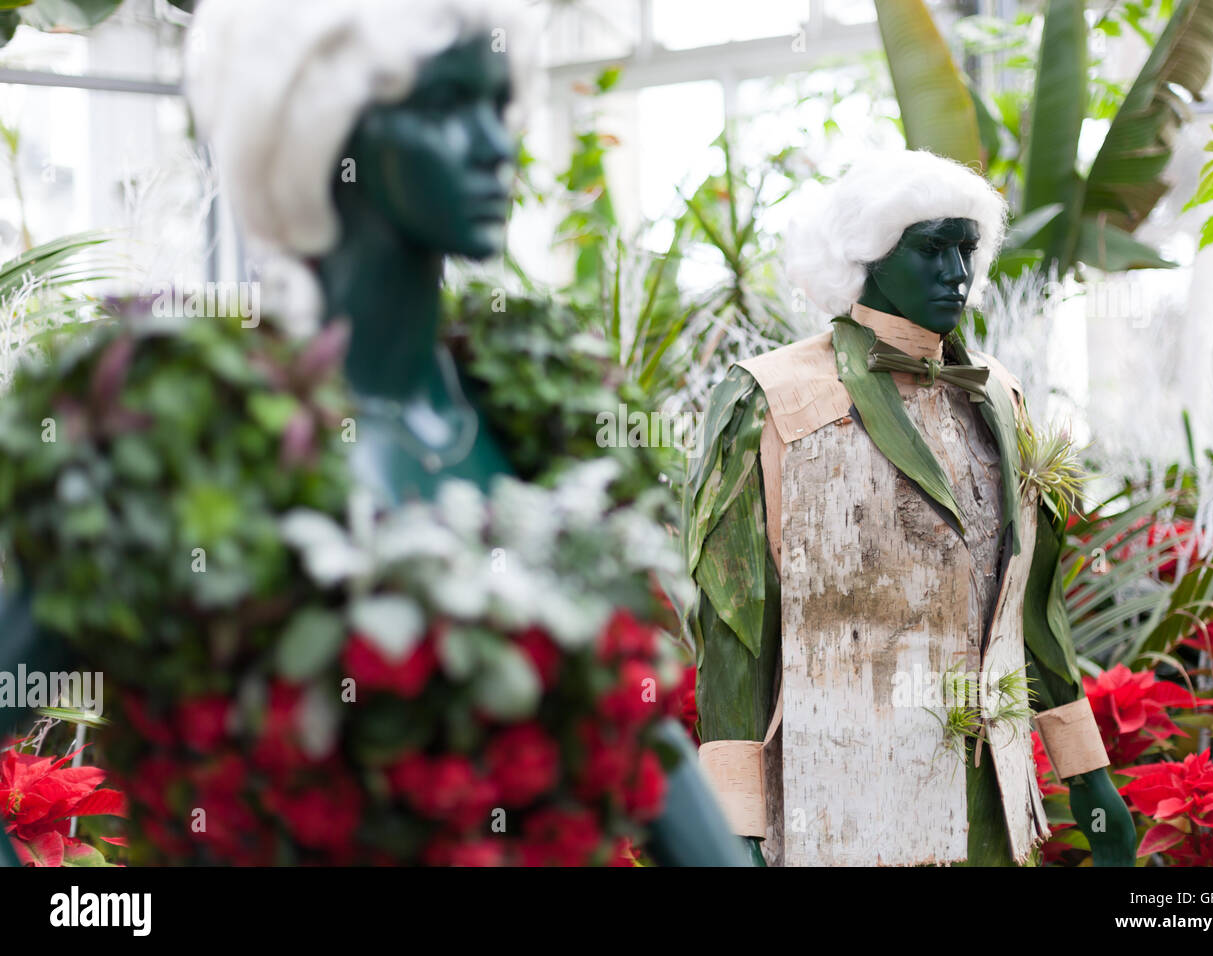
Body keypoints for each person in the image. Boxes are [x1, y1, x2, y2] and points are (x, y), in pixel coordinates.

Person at [0, 0, 745, 867]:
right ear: (325, 132)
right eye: (441, 108)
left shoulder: (537, 421)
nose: (493, 144)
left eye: (494, 105)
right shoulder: (182, 428)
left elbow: (637, 734)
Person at [687, 150, 1136, 866]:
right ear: (867, 257)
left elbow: (1032, 602)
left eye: (967, 248)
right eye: (931, 250)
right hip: (842, 799)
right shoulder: (769, 398)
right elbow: (737, 625)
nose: (956, 274)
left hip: (991, 790)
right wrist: (735, 821)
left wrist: (1088, 771)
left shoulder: (999, 395)